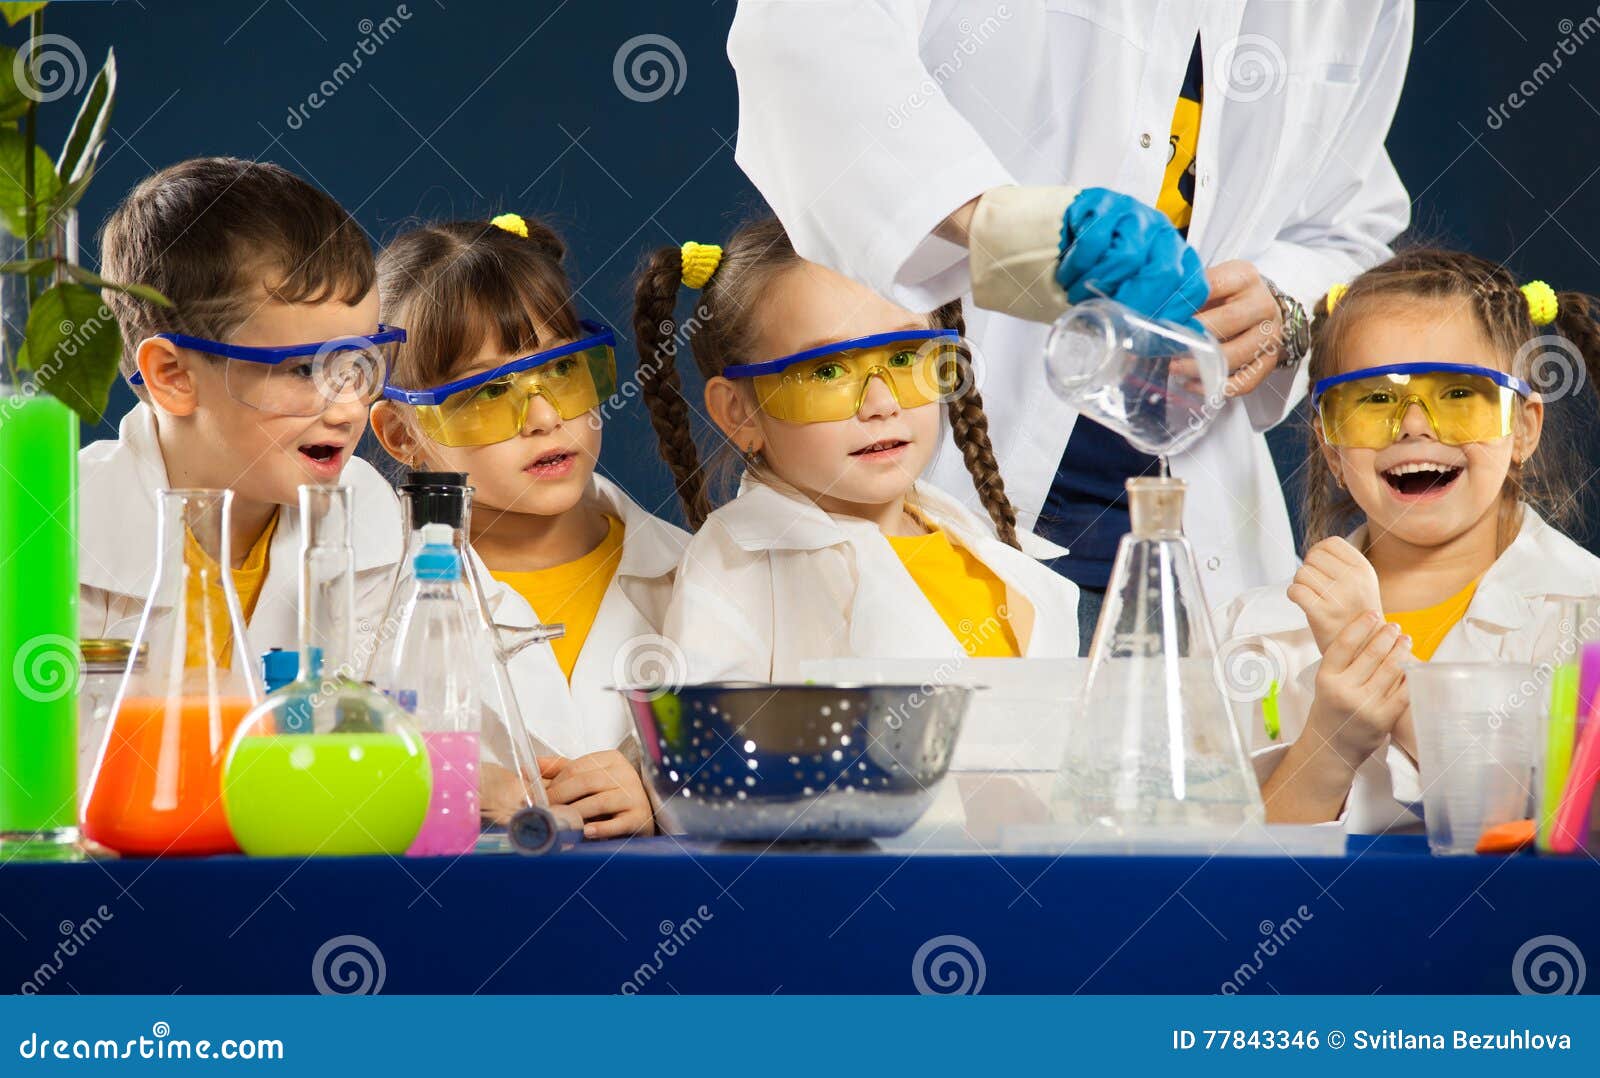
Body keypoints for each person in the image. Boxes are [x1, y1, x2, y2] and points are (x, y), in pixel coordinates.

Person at [727, 2, 1414, 640]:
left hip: (1197, 529)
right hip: (937, 485)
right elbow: (803, 42)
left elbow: (1350, 223)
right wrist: (1004, 224)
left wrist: (1283, 306)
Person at [1215, 250, 1600, 831]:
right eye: (1374, 401)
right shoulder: (1251, 632)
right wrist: (1331, 738)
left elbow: (1561, 827)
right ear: (1331, 447)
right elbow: (1219, 874)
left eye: (1459, 395)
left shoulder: (1586, 614)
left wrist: (1385, 673)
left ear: (1522, 428)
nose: (1414, 425)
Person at [633, 220, 1080, 682]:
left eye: (905, 358)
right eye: (827, 372)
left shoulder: (976, 547)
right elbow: (714, 749)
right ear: (740, 412)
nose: (881, 405)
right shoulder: (734, 572)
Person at [371, 214, 677, 839]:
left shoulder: (701, 574)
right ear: (404, 435)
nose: (541, 417)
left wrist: (666, 790)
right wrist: (447, 784)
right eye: (488, 392)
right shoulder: (363, 599)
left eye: (561, 371)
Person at [82, 157, 403, 667]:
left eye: (359, 362)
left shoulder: (376, 520)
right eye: (302, 370)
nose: (348, 408)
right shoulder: (56, 534)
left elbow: (453, 724)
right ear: (172, 375)